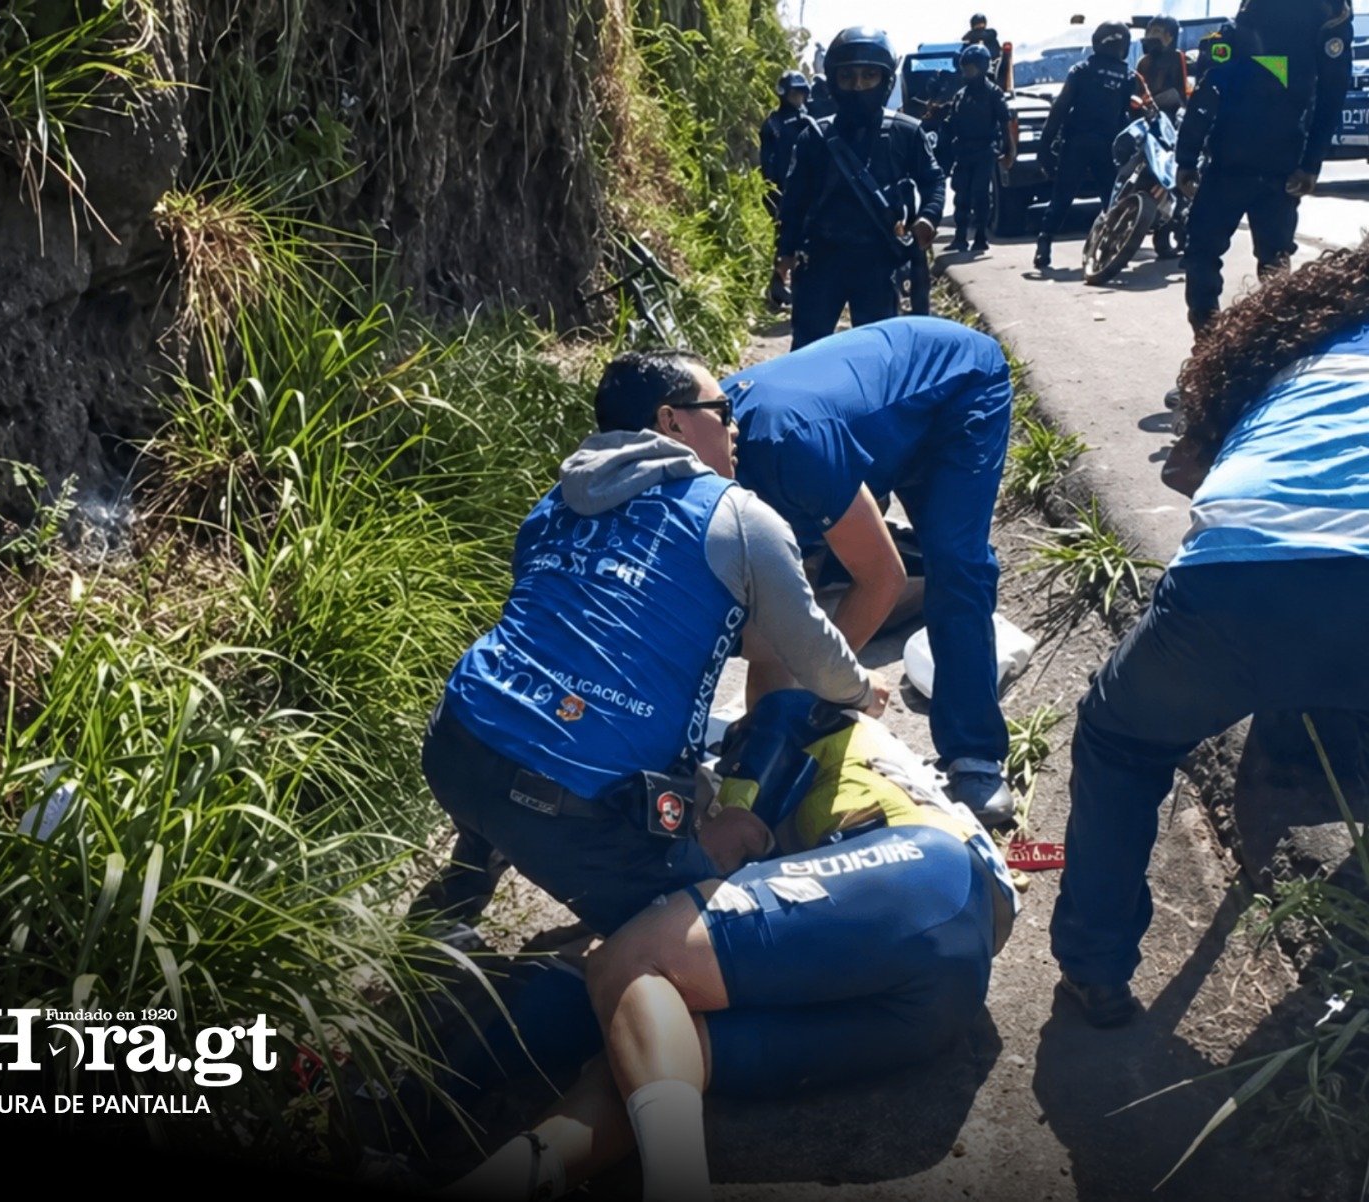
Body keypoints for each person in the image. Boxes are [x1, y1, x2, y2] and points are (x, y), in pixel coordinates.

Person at [444, 700, 1019, 1202]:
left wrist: (715, 823)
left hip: (927, 876)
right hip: (938, 998)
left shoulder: (790, 728)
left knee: (629, 956)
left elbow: (762, 760)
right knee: (641, 1058)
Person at [418, 349, 885, 940]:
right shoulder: (739, 516)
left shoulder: (554, 503)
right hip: (570, 811)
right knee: (701, 936)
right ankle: (492, 1007)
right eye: (723, 410)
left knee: (522, 739)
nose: (736, 426)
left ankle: (436, 932)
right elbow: (816, 655)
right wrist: (863, 689)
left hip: (454, 741)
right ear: (672, 422)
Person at [1051, 240, 1369, 1030]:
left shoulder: (1299, 347)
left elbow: (1184, 474)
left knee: (1119, 741)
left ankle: (1095, 970)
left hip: (1239, 577)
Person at [720, 316, 1018, 824]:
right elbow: (778, 622)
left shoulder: (785, 444)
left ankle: (976, 755)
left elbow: (884, 579)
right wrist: (763, 729)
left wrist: (827, 688)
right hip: (876, 423)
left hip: (957, 386)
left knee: (953, 560)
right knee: (797, 594)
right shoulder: (705, 483)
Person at [1175, 1, 1353, 334]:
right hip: (1279, 166)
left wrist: (1186, 158)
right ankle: (1267, 354)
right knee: (1274, 264)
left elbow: (1205, 96)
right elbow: (1332, 96)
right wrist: (1310, 164)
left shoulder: (1243, 28)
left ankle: (1208, 350)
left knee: (1204, 254)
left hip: (1233, 164)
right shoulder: (1332, 16)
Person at [775, 26, 945, 349]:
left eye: (869, 76)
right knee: (807, 354)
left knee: (879, 356)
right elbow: (794, 204)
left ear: (886, 80)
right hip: (821, 262)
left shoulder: (906, 132)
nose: (858, 86)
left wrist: (928, 217)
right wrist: (784, 256)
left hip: (879, 261)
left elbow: (933, 180)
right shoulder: (813, 139)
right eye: (848, 77)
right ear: (834, 81)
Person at [1033, 20, 1137, 271]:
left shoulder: (1080, 70)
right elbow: (1128, 115)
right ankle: (1112, 250)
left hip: (1077, 144)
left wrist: (1044, 146)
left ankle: (1044, 244)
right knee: (1111, 200)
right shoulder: (1128, 76)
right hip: (1107, 146)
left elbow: (1059, 109)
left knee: (1062, 197)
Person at [945, 42, 1013, 254]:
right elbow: (951, 122)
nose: (967, 73)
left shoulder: (993, 94)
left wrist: (1008, 150)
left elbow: (1004, 122)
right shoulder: (961, 95)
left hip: (984, 151)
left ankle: (981, 237)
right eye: (965, 68)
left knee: (979, 194)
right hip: (963, 151)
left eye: (971, 68)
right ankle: (960, 237)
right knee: (961, 195)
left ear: (982, 68)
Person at [760, 70, 812, 309]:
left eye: (801, 93)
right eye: (793, 93)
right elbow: (767, 162)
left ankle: (792, 287)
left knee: (805, 240)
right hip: (781, 191)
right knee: (786, 239)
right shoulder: (773, 123)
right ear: (784, 94)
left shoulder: (808, 120)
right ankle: (779, 285)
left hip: (806, 190)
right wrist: (773, 191)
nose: (797, 98)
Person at [1137, 14, 1190, 117]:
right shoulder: (1144, 61)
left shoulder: (1176, 57)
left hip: (1169, 112)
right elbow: (1138, 90)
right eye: (1149, 31)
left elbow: (1181, 90)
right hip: (1147, 109)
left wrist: (1183, 109)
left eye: (1156, 31)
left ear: (1170, 37)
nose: (1150, 35)